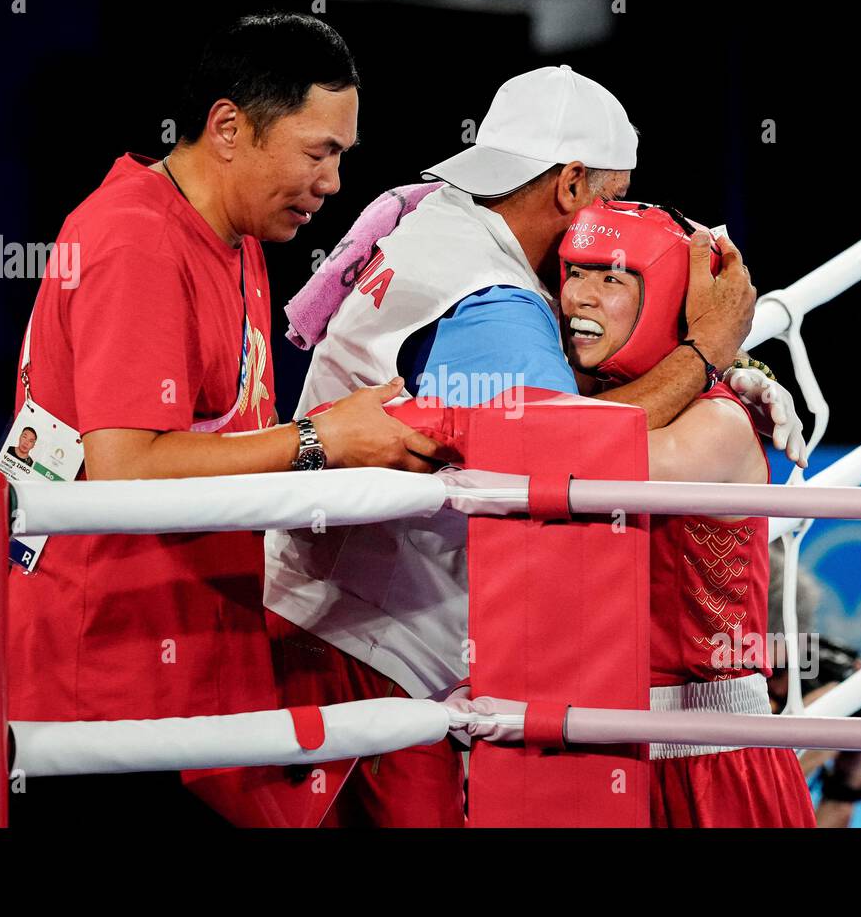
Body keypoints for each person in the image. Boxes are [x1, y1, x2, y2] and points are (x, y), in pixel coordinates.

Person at [264, 65, 807, 826]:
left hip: (351, 616)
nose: (585, 277)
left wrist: (727, 370)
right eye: (611, 198)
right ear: (572, 182)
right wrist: (710, 349)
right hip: (373, 646)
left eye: (611, 274)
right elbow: (571, 454)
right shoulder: (494, 303)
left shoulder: (440, 215)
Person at [4, 14, 440, 825]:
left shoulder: (235, 236)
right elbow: (126, 469)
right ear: (229, 128)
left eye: (342, 154)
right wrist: (325, 441)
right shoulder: (132, 240)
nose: (335, 181)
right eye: (321, 151)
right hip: (101, 676)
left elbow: (233, 447)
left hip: (187, 654)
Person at [557, 199, 816, 827]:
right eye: (573, 273)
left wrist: (715, 355)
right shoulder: (589, 399)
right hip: (593, 752)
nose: (579, 298)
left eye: (613, 277)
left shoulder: (719, 424)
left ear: (673, 294)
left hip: (710, 763)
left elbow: (576, 452)